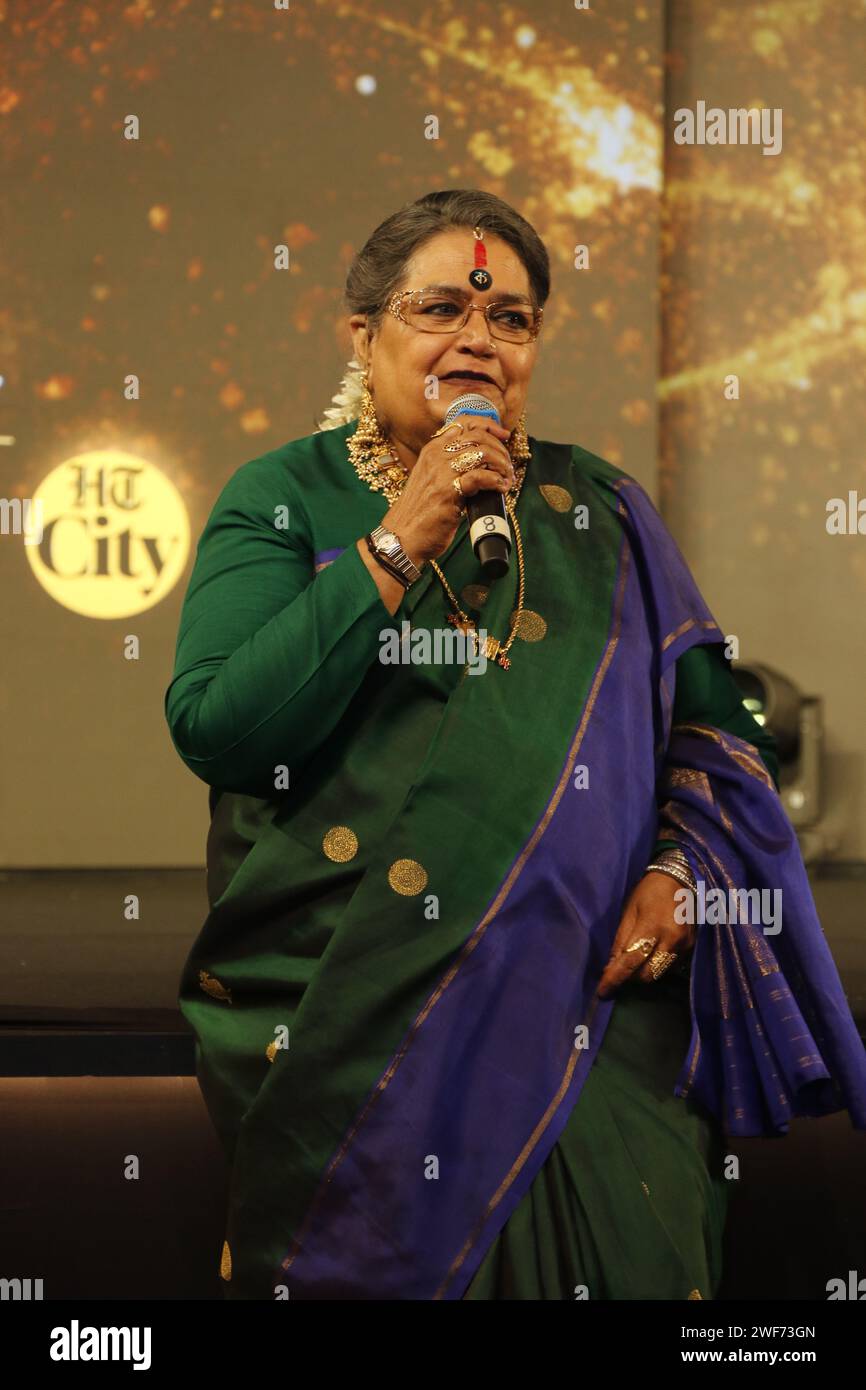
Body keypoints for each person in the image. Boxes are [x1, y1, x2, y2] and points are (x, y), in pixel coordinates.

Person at [164, 188, 866, 1301]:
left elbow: (720, 732)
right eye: (441, 307)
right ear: (363, 333)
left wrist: (686, 872)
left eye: (511, 319)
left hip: (584, 1004)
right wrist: (398, 544)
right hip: (352, 1010)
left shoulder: (601, 513)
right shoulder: (285, 499)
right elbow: (220, 728)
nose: (478, 339)